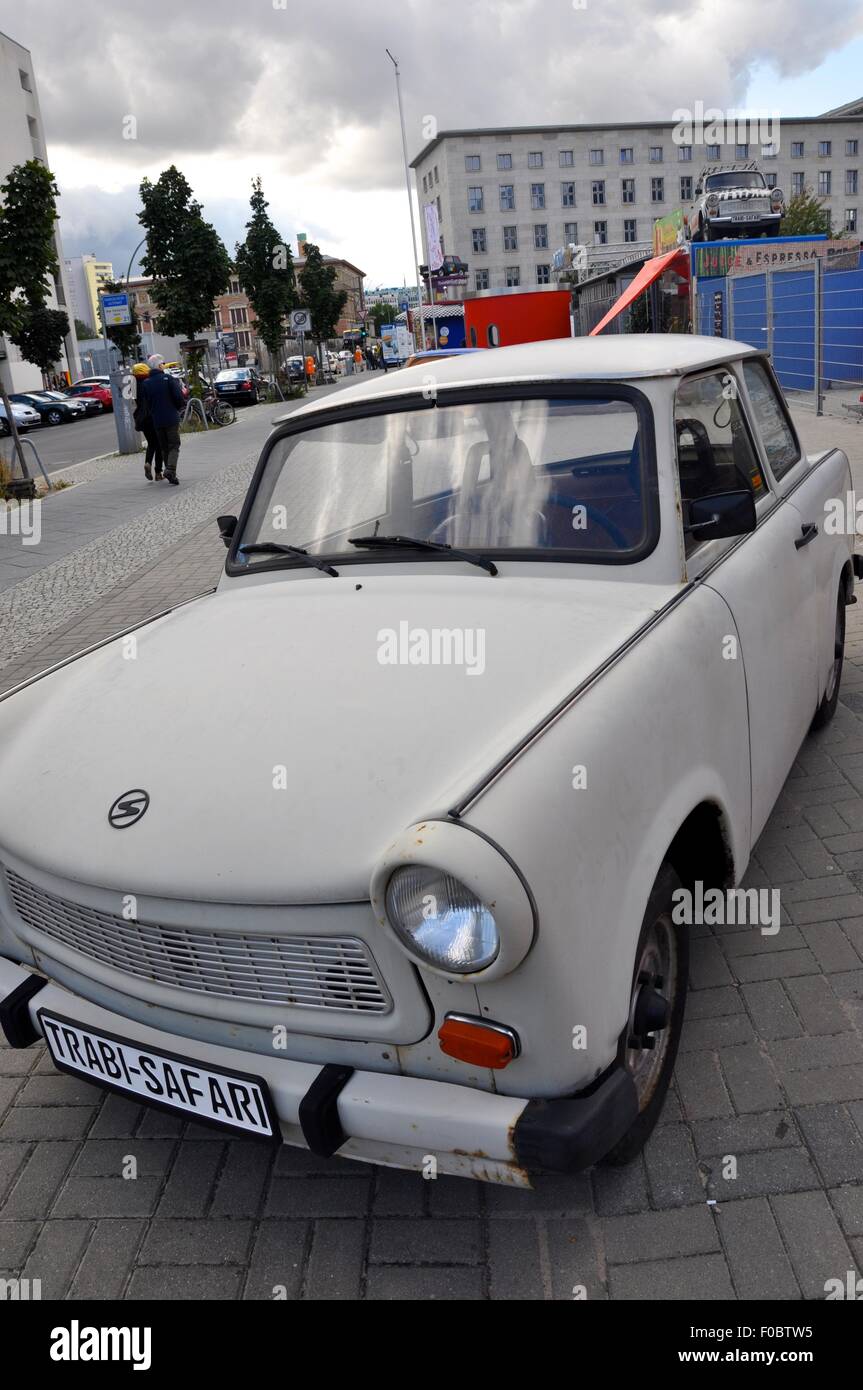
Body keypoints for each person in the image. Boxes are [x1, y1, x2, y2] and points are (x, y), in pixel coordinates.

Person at [140, 354, 184, 485]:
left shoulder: (146, 383)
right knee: (174, 445)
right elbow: (178, 397)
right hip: (171, 418)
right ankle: (170, 470)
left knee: (164, 447)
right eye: (163, 363)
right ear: (160, 366)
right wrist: (176, 408)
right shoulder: (168, 379)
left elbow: (146, 403)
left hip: (157, 420)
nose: (164, 365)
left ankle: (170, 473)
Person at [131, 362, 164, 481]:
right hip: (153, 417)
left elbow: (134, 401)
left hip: (142, 418)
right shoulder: (149, 383)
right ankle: (158, 472)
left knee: (151, 443)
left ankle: (148, 463)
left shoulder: (133, 385)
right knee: (159, 444)